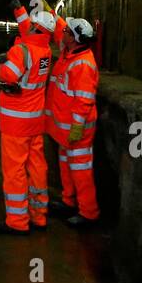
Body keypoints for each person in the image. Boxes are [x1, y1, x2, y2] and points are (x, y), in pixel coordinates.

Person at [0, 0, 56, 234]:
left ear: (36, 27)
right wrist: (18, 9)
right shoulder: (44, 50)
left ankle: (17, 222)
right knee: (37, 166)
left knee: (14, 171)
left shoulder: (21, 50)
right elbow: (28, 30)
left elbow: (9, 74)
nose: (26, 24)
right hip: (34, 121)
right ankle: (39, 216)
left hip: (15, 123)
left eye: (30, 22)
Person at [46, 17, 100, 228]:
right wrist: (52, 13)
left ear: (74, 39)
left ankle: (89, 213)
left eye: (67, 31)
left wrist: (76, 128)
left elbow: (84, 100)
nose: (63, 32)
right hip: (65, 130)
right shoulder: (69, 53)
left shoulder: (83, 65)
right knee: (66, 166)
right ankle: (69, 202)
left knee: (81, 171)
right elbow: (59, 28)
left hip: (77, 131)